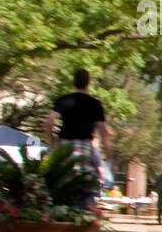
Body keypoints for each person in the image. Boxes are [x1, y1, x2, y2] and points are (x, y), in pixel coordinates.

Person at [45, 68, 112, 207]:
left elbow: (49, 121)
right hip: (84, 148)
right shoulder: (95, 104)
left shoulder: (64, 100)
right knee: (84, 185)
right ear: (88, 83)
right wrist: (109, 153)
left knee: (62, 182)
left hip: (64, 147)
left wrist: (51, 140)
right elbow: (103, 131)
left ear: (73, 82)